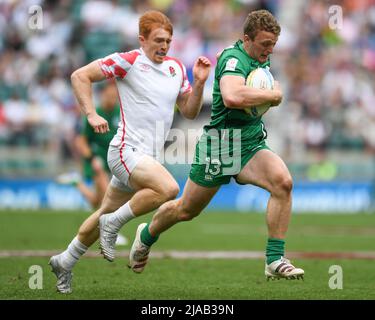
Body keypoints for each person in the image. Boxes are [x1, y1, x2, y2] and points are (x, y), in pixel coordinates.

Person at [127, 9, 305, 280]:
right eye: (265, 44)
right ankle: (147, 235)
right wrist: (273, 94)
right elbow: (232, 96)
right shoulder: (233, 59)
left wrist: (268, 95)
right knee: (185, 210)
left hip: (250, 142)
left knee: (283, 183)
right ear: (247, 39)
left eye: (273, 44)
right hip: (221, 145)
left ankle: (274, 259)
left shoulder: (260, 60)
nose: (270, 50)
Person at [49, 10, 211, 293]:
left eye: (168, 41)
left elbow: (189, 110)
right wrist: (90, 114)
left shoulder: (175, 68)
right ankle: (114, 224)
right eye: (158, 40)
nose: (164, 46)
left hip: (144, 158)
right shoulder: (129, 60)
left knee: (101, 214)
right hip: (125, 151)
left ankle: (65, 260)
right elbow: (79, 76)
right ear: (142, 39)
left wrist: (198, 84)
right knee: (169, 189)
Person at [56, 82, 128, 245]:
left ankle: (76, 182)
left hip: (113, 158)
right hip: (96, 158)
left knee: (96, 200)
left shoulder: (120, 112)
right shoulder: (95, 114)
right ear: (102, 95)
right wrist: (92, 158)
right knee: (107, 189)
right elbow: (80, 140)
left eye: (114, 96)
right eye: (109, 96)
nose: (112, 99)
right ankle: (109, 230)